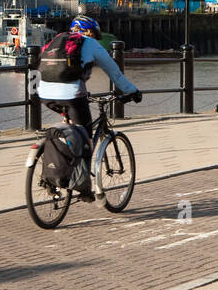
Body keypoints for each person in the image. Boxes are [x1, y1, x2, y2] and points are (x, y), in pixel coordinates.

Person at [39, 15, 142, 195]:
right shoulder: (91, 43)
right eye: (94, 33)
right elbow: (115, 73)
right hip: (70, 96)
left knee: (70, 131)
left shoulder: (58, 39)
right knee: (86, 137)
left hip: (45, 94)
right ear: (89, 31)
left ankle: (55, 173)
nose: (94, 37)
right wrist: (132, 91)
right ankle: (83, 184)